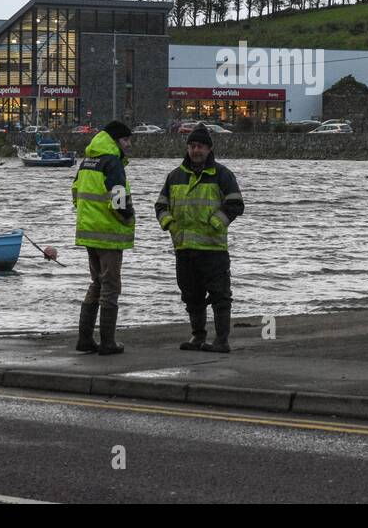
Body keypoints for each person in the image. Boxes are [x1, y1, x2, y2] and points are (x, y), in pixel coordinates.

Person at [154, 123, 243, 353]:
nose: (196, 151)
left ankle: (221, 340)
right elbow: (160, 206)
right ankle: (198, 337)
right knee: (191, 296)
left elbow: (235, 204)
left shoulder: (222, 175)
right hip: (184, 248)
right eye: (192, 146)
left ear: (210, 149)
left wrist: (215, 223)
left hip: (213, 249)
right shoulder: (174, 176)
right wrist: (170, 226)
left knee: (220, 296)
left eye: (200, 146)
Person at [71, 120, 135, 355]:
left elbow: (75, 191)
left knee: (96, 283)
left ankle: (85, 339)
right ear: (117, 140)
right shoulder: (112, 161)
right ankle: (108, 342)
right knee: (110, 286)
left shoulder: (88, 160)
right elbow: (118, 199)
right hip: (109, 233)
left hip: (88, 231)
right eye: (127, 140)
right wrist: (128, 216)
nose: (129, 144)